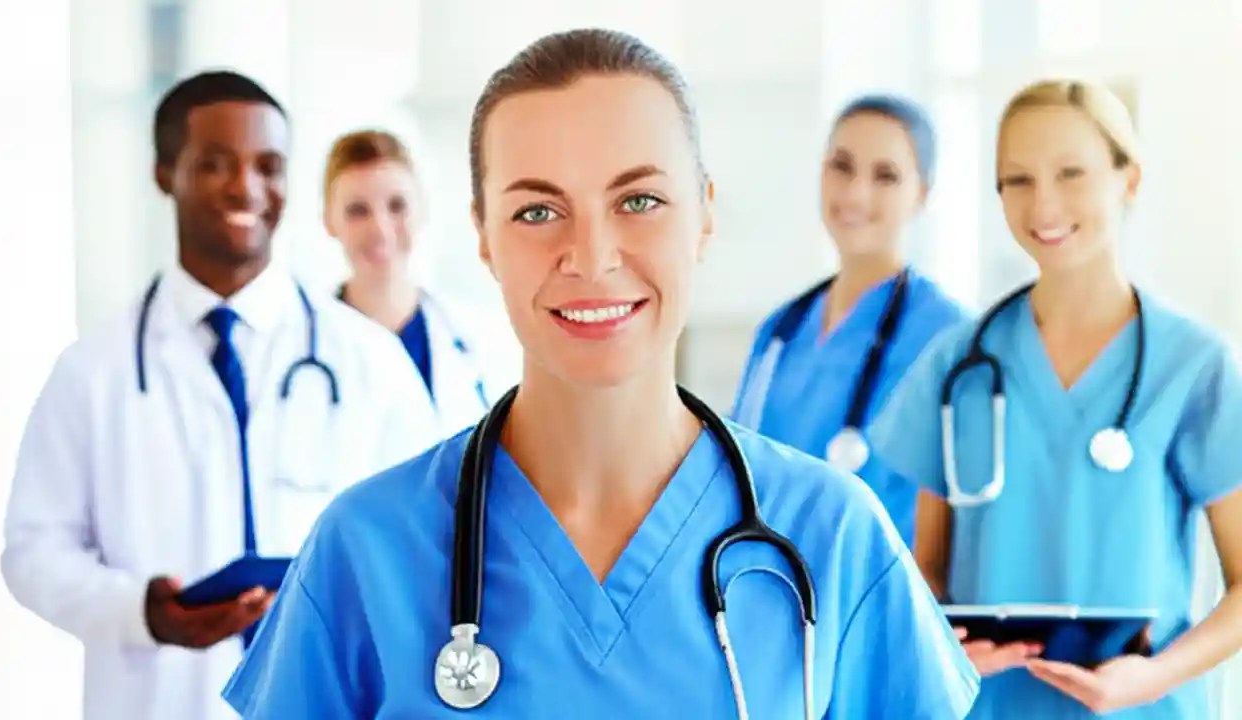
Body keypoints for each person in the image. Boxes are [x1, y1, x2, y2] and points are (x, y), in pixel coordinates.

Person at [221, 29, 978, 719]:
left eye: (639, 200)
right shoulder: (366, 549)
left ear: (704, 215)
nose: (591, 256)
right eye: (537, 212)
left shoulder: (834, 537)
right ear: (482, 234)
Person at [0, 70, 441, 720]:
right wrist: (139, 612)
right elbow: (33, 552)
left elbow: (431, 537)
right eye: (215, 164)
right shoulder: (92, 373)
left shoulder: (368, 361)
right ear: (164, 172)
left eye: (269, 166)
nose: (247, 187)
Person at [867, 79, 1242, 718]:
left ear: (1130, 180)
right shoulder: (958, 364)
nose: (1043, 203)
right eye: (1016, 180)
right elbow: (927, 569)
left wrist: (1150, 681)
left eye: (1071, 173)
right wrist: (946, 641)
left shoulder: (1194, 366)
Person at [731, 94, 968, 545]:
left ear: (922, 193)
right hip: (769, 590)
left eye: (886, 176)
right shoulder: (780, 331)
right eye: (841, 166)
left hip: (881, 597)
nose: (856, 192)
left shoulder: (948, 337)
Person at [324, 128, 519, 436]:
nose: (381, 229)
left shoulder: (481, 340)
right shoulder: (307, 347)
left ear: (422, 210)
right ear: (328, 220)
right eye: (357, 211)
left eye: (397, 206)